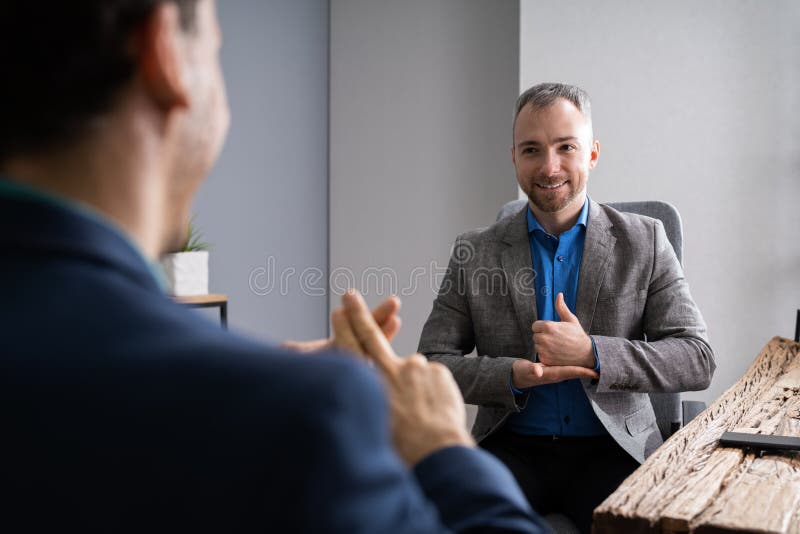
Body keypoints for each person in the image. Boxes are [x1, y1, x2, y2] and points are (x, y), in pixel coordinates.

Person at [0, 1, 549, 532]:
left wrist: (261, 374)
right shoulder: (304, 416)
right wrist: (442, 446)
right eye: (216, 49)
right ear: (164, 51)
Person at [418, 82, 715, 533]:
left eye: (565, 147)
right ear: (514, 158)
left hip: (614, 449)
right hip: (510, 446)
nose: (549, 166)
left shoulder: (645, 240)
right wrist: (510, 375)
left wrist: (593, 353)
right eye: (532, 150)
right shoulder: (474, 251)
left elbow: (697, 358)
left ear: (592, 154)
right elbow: (431, 365)